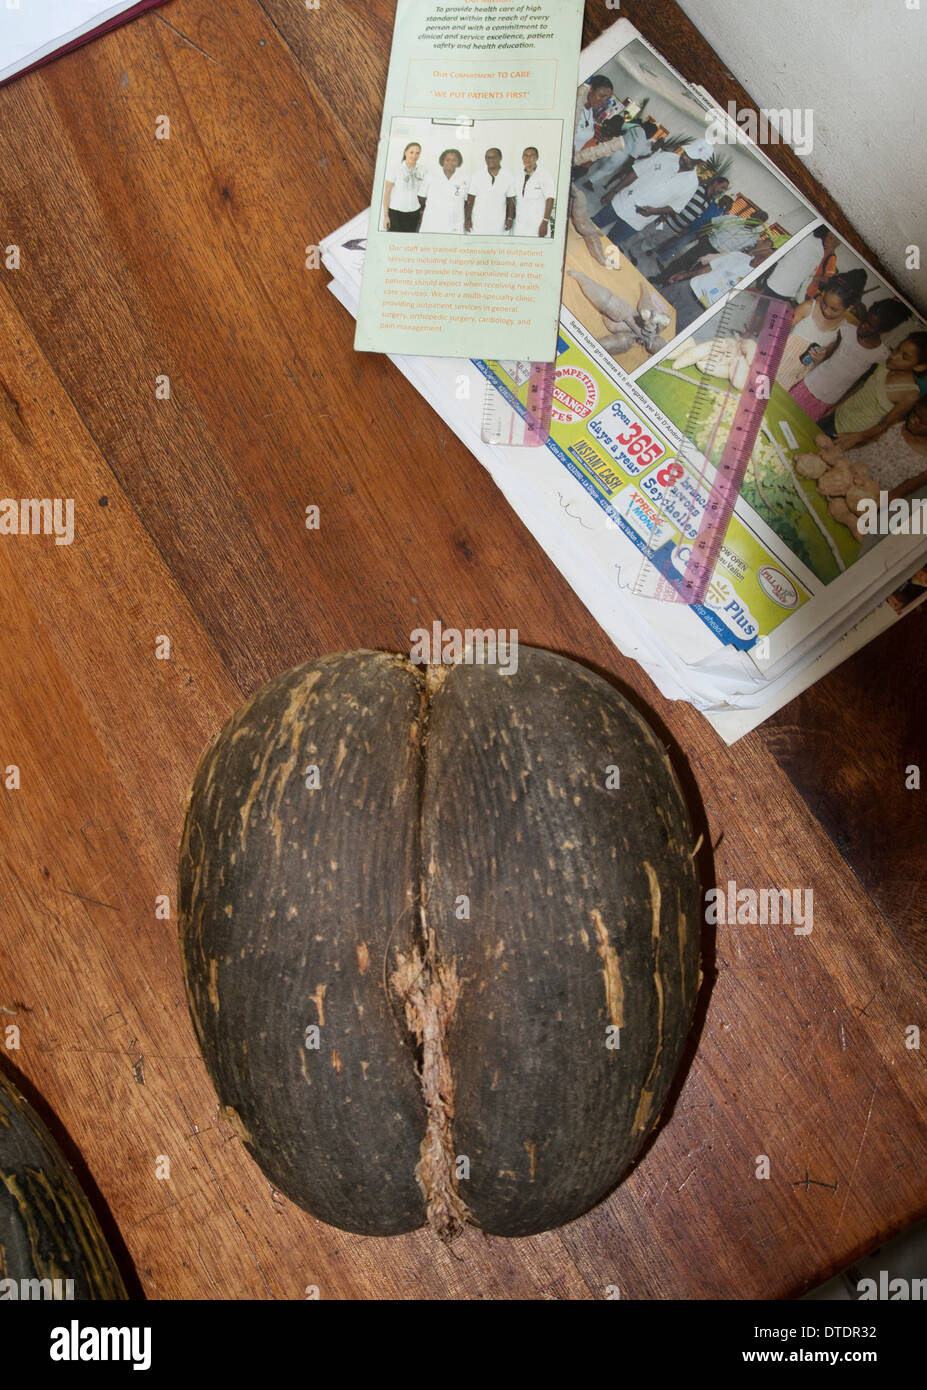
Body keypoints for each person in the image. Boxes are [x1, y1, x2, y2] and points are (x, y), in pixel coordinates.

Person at [790, 299, 910, 423]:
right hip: (809, 384)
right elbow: (826, 355)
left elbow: (859, 384)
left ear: (884, 330)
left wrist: (836, 406)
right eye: (865, 321)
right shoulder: (846, 330)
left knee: (800, 425)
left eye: (871, 327)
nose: (864, 326)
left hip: (829, 399)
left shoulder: (881, 355)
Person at [590, 139, 711, 247]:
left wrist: (654, 211)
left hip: (637, 220)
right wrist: (614, 191)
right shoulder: (666, 157)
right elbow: (636, 172)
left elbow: (675, 207)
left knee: (608, 244)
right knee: (591, 225)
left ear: (700, 163)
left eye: (691, 158)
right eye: (685, 153)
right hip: (621, 202)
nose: (685, 157)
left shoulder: (691, 184)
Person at [826, 332, 927, 444]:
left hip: (847, 433)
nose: (894, 356)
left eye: (904, 357)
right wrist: (834, 408)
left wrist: (857, 438)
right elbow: (861, 390)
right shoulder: (886, 365)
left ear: (919, 366)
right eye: (898, 348)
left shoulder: (910, 395)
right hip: (837, 414)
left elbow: (884, 425)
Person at [776, 270, 867, 392]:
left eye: (834, 309)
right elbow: (779, 329)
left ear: (849, 308)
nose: (827, 311)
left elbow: (827, 354)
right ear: (823, 294)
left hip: (796, 375)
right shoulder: (808, 308)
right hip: (778, 360)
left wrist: (821, 357)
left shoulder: (841, 329)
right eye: (825, 303)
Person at [659, 237, 774, 332]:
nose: (758, 241)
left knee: (666, 330)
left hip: (699, 309)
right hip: (687, 287)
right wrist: (685, 276)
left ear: (771, 253)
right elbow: (709, 268)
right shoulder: (739, 256)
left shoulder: (758, 283)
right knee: (653, 302)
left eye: (764, 241)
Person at [620, 176, 730, 272]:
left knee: (652, 242)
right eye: (722, 187)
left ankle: (632, 254)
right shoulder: (697, 189)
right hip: (666, 220)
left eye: (725, 189)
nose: (723, 191)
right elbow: (677, 200)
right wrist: (663, 215)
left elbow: (695, 216)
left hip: (676, 228)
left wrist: (683, 229)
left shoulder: (709, 201)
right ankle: (622, 247)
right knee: (643, 234)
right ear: (715, 183)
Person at [842, 395, 927, 500]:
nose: (913, 419)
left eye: (921, 422)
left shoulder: (925, 465)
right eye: (914, 412)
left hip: (863, 495)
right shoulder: (898, 423)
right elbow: (866, 439)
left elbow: (896, 494)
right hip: (844, 468)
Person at [655, 208, 769, 283]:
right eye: (757, 217)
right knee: (682, 262)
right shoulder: (732, 219)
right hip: (707, 244)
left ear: (761, 224)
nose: (757, 220)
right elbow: (712, 221)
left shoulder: (754, 239)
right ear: (752, 214)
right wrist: (703, 236)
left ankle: (670, 286)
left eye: (760, 221)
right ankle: (661, 279)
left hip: (719, 257)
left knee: (695, 273)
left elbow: (749, 253)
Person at [762, 225, 836, 303]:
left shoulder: (803, 236)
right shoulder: (820, 251)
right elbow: (809, 274)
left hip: (776, 279)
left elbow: (784, 253)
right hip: (790, 289)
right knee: (775, 310)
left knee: (763, 302)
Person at [465, 148, 516, 235]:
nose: (490, 160)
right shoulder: (477, 175)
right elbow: (470, 199)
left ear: (500, 158)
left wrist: (510, 219)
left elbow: (511, 200)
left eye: (494, 157)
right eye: (488, 158)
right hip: (478, 223)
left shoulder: (508, 176)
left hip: (499, 224)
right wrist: (468, 219)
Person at [418, 149, 469, 235]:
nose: (450, 162)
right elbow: (421, 197)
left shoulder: (464, 178)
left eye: (454, 160)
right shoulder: (431, 176)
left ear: (458, 162)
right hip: (432, 222)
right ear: (442, 161)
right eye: (447, 159)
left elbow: (467, 201)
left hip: (455, 223)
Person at [513, 148, 556, 238]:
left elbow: (550, 199)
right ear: (522, 158)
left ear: (537, 158)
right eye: (525, 155)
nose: (528, 158)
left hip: (537, 225)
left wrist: (545, 222)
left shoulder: (545, 175)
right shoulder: (517, 176)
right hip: (520, 225)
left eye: (531, 156)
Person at [383, 142, 425, 232]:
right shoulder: (395, 169)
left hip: (414, 213)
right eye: (411, 152)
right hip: (396, 213)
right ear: (405, 152)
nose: (414, 155)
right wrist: (386, 216)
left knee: (409, 244)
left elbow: (424, 192)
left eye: (417, 153)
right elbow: (387, 193)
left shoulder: (422, 170)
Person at [574, 75, 619, 155]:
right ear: (590, 89)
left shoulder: (590, 111)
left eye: (607, 99)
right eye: (601, 96)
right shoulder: (574, 107)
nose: (604, 102)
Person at [804, 229, 839, 301]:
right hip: (803, 287)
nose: (827, 238)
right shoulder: (821, 250)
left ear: (835, 244)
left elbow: (830, 279)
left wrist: (816, 278)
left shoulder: (831, 257)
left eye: (831, 238)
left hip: (809, 292)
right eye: (828, 236)